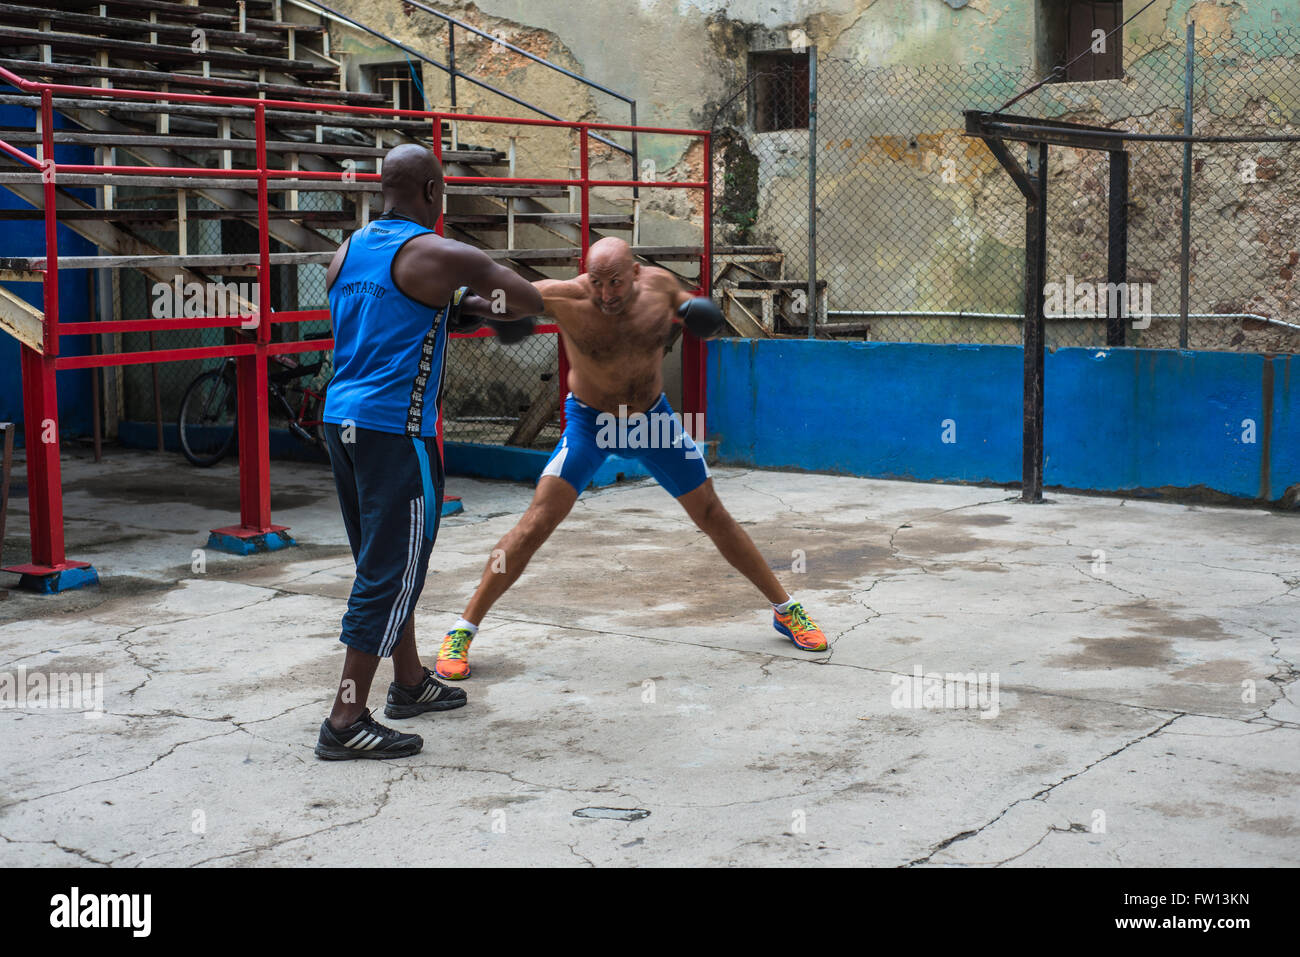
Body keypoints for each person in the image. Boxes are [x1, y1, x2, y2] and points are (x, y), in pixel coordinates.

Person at [434, 237, 827, 681]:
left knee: (714, 513)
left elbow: (689, 306)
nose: (605, 294)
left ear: (636, 272)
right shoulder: (565, 296)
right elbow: (503, 299)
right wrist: (473, 309)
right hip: (589, 424)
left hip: (651, 421)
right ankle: (462, 629)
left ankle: (784, 608)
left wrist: (699, 311)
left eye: (615, 282)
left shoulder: (659, 286)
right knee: (535, 522)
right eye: (597, 282)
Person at [314, 144, 543, 760]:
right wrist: (490, 309)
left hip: (341, 422)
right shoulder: (441, 253)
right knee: (391, 571)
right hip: (396, 432)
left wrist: (460, 309)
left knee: (383, 562)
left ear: (383, 188)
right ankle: (345, 719)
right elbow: (528, 301)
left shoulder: (346, 252)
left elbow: (399, 314)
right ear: (435, 193)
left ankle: (409, 682)